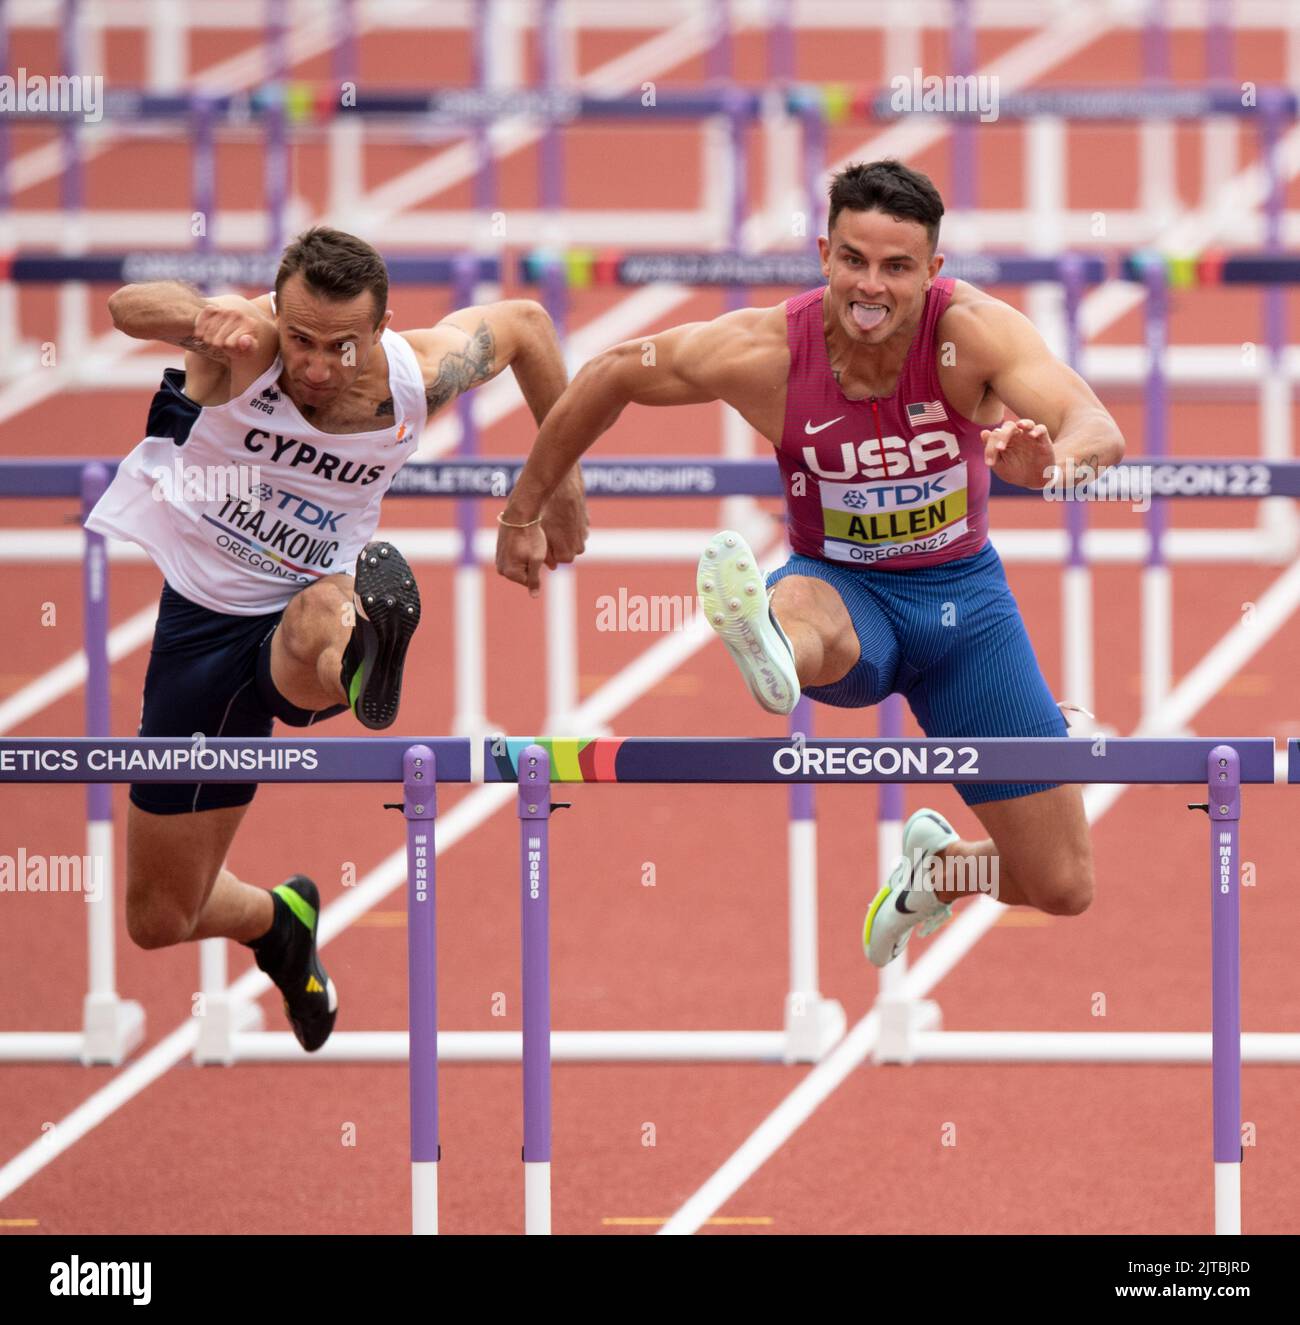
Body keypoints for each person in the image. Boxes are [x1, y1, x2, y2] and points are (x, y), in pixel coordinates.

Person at [495, 160, 1125, 968]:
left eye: (897, 267)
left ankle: (941, 867)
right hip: (843, 593)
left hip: (966, 613)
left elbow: (1095, 425)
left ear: (932, 271)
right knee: (802, 618)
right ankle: (769, 644)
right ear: (824, 253)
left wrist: (1053, 467)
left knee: (1063, 883)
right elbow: (615, 372)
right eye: (854, 261)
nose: (871, 286)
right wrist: (529, 505)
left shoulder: (975, 334)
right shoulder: (765, 351)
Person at [91, 226, 585, 1049]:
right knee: (158, 915)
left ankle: (361, 663)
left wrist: (554, 490)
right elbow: (124, 307)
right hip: (201, 621)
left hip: (310, 600)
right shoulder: (243, 352)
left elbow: (529, 325)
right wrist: (201, 314)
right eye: (302, 339)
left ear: (383, 331)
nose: (316, 367)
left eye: (342, 347)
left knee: (323, 614)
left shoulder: (415, 378)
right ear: (277, 316)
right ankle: (279, 920)